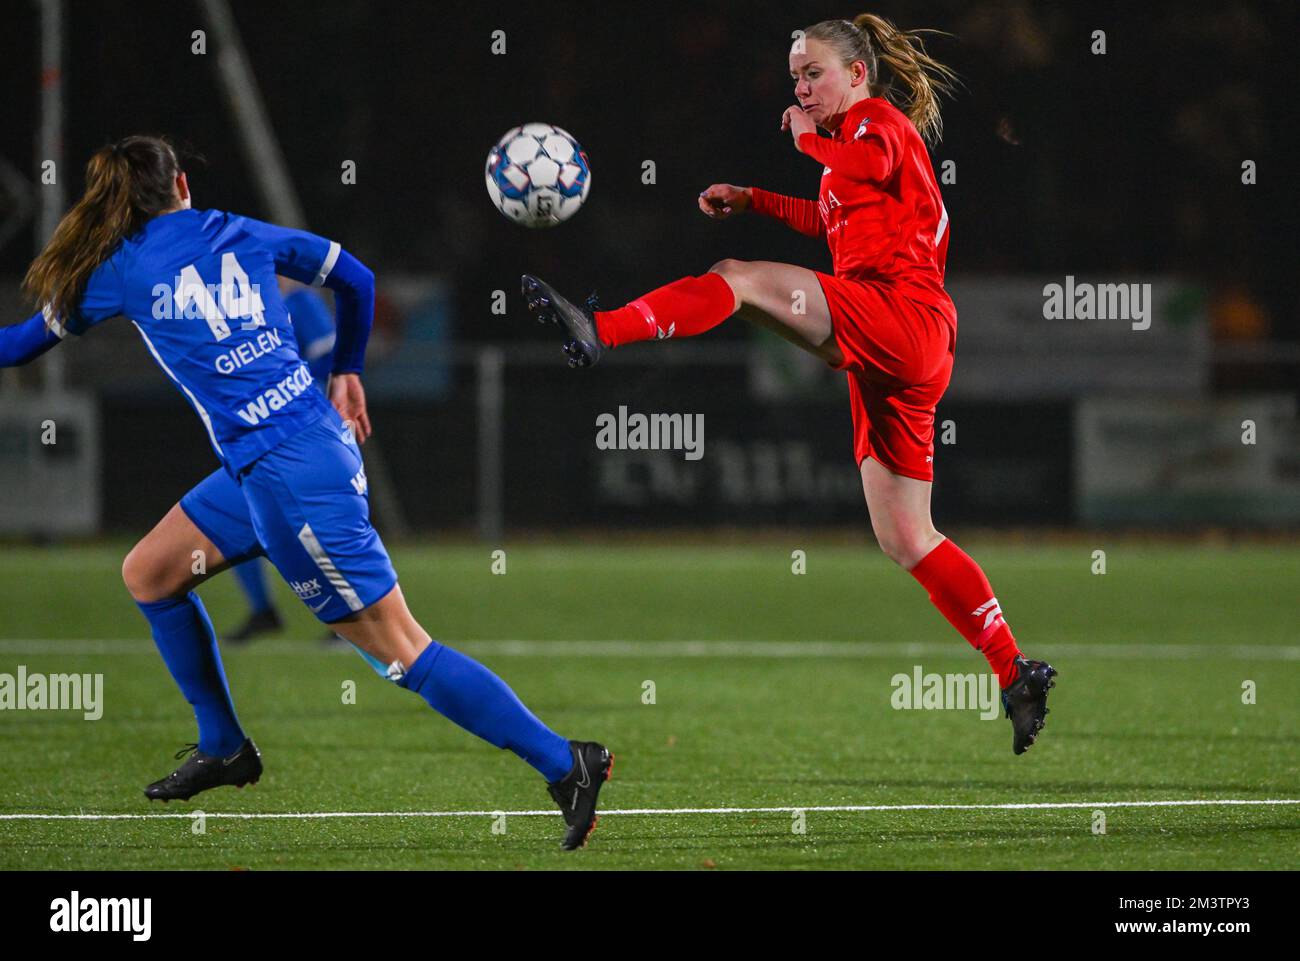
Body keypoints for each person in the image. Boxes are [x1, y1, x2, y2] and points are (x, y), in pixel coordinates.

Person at [2, 135, 612, 849]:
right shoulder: (239, 230)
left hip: (290, 479)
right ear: (183, 188)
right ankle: (224, 745)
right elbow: (355, 276)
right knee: (150, 572)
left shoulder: (119, 270)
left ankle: (564, 760)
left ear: (116, 204)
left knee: (400, 649)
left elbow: (17, 345)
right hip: (286, 455)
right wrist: (347, 370)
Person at [522, 14, 1057, 754]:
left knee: (735, 279)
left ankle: (602, 328)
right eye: (796, 77)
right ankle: (1014, 668)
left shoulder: (875, 123)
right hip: (907, 342)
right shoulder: (851, 149)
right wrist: (758, 199)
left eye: (814, 74)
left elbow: (858, 172)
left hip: (899, 317)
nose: (802, 88)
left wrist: (807, 141)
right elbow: (837, 216)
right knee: (907, 534)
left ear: (858, 75)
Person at [223, 278, 336, 642]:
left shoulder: (300, 300)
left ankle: (352, 619)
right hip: (259, 434)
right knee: (235, 521)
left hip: (300, 433)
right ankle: (262, 610)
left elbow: (331, 360)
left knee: (314, 528)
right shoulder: (251, 309)